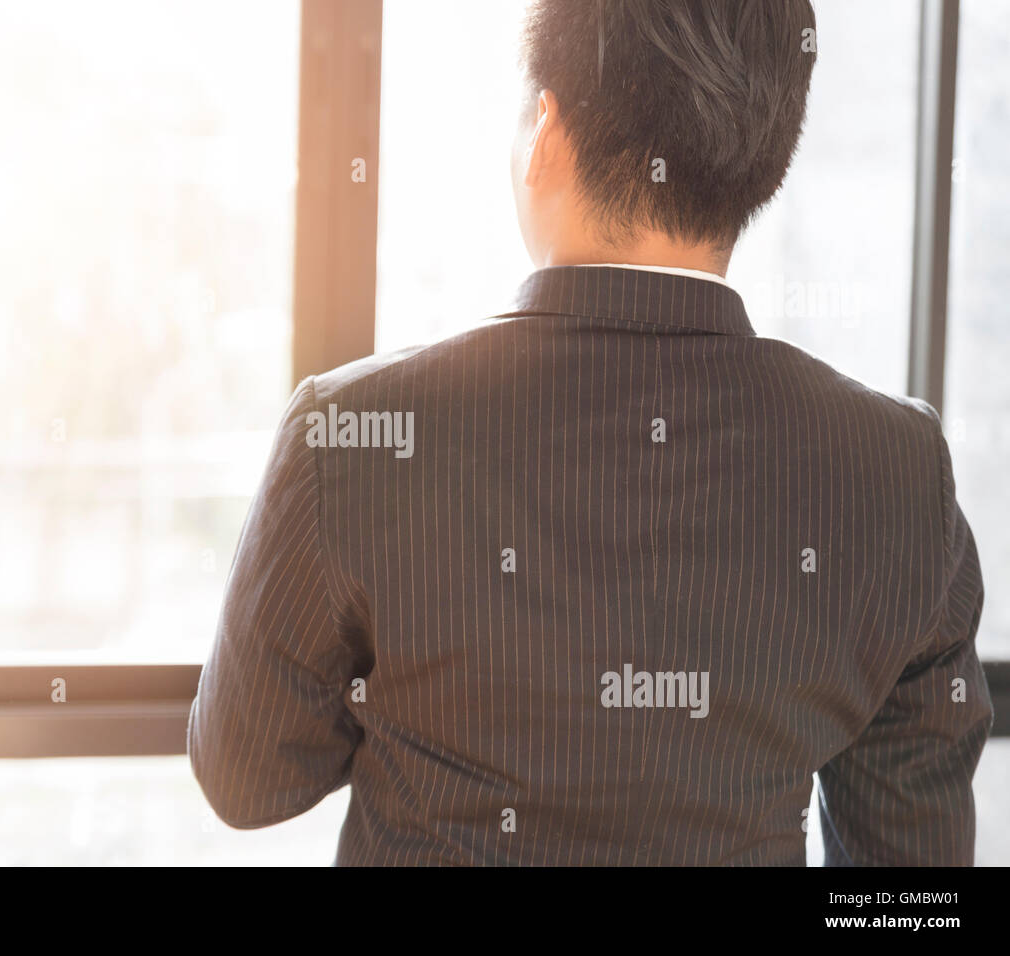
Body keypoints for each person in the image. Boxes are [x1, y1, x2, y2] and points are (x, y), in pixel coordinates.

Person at [188, 0, 992, 865]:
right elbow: (912, 883)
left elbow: (248, 780)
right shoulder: (898, 472)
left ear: (546, 135)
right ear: (766, 158)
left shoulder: (351, 437)